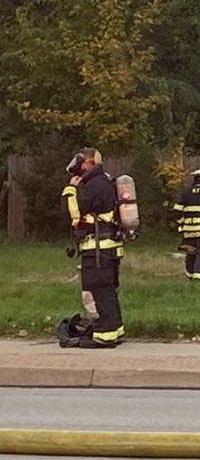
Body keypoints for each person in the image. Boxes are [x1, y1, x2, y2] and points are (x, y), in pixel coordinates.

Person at [60, 147, 125, 348]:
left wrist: (70, 189)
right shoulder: (104, 181)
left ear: (88, 163)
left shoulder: (94, 184)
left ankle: (105, 335)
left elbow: (73, 210)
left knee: (97, 289)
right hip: (108, 248)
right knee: (106, 289)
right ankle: (115, 329)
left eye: (81, 162)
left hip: (97, 249)